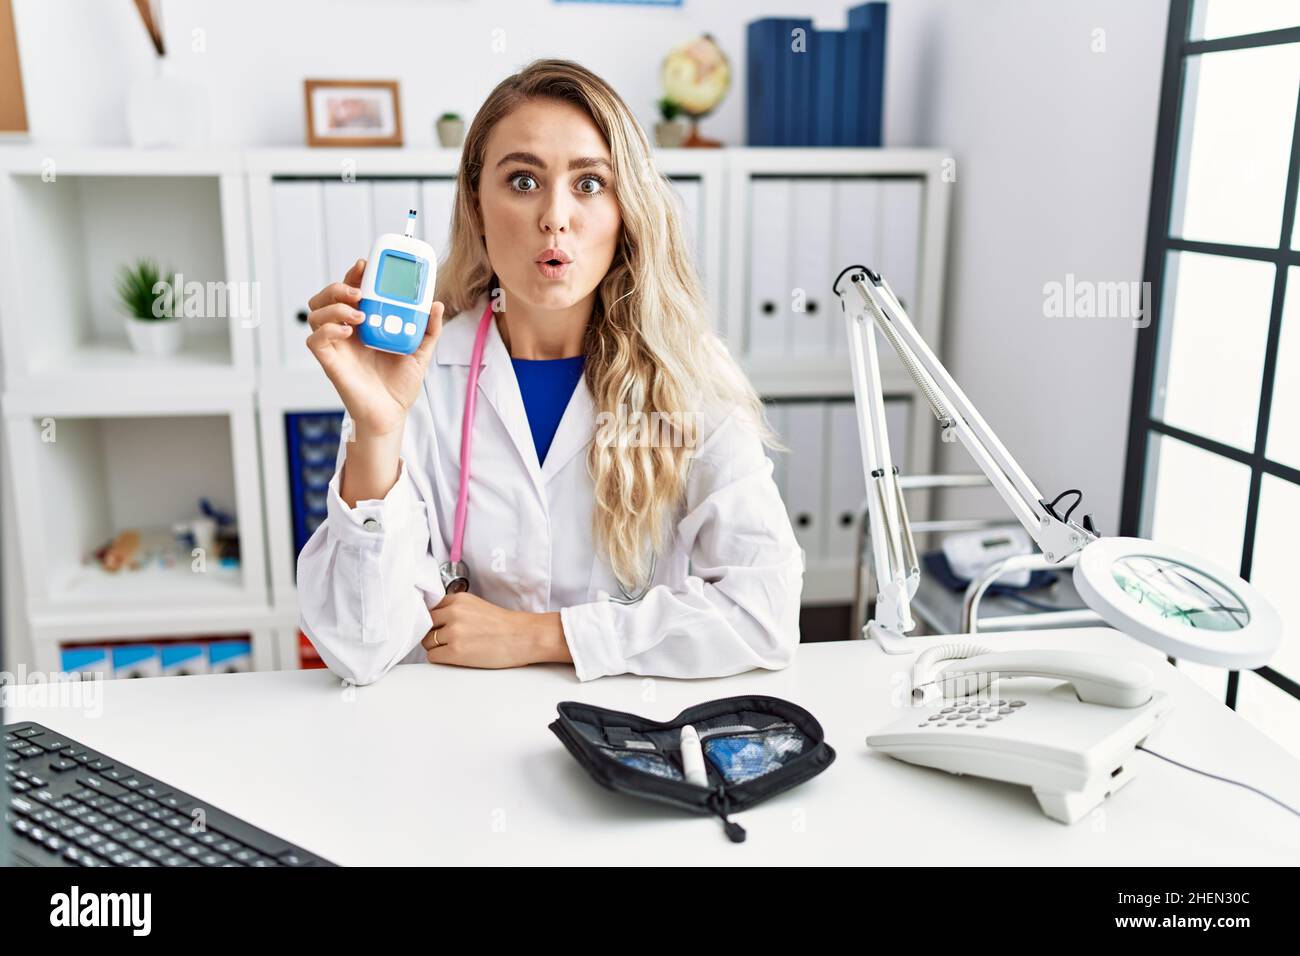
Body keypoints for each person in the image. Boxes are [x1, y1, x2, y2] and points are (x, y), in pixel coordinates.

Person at [297, 59, 803, 685]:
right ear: (477, 205)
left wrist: (542, 635)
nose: (555, 217)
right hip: (459, 738)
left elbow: (765, 615)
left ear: (626, 211)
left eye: (589, 184)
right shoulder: (416, 379)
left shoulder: (692, 376)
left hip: (634, 738)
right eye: (524, 181)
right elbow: (359, 647)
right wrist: (377, 428)